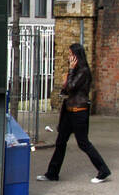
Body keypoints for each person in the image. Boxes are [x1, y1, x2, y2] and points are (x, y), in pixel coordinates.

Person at [37, 42, 112, 184]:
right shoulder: (76, 70)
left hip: (79, 111)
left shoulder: (83, 71)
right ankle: (52, 173)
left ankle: (103, 170)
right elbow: (66, 90)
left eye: (71, 55)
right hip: (69, 111)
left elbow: (71, 86)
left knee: (83, 143)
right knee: (60, 142)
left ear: (77, 56)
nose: (69, 58)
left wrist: (70, 72)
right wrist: (67, 79)